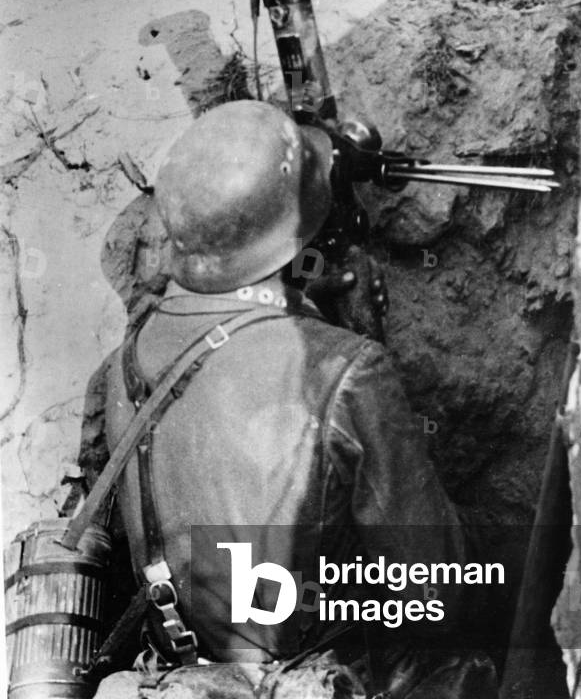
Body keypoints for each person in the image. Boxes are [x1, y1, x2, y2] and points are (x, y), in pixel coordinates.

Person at [86, 100, 498, 699]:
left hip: (176, 675)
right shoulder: (346, 371)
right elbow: (436, 594)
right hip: (307, 679)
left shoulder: (123, 364)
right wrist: (360, 344)